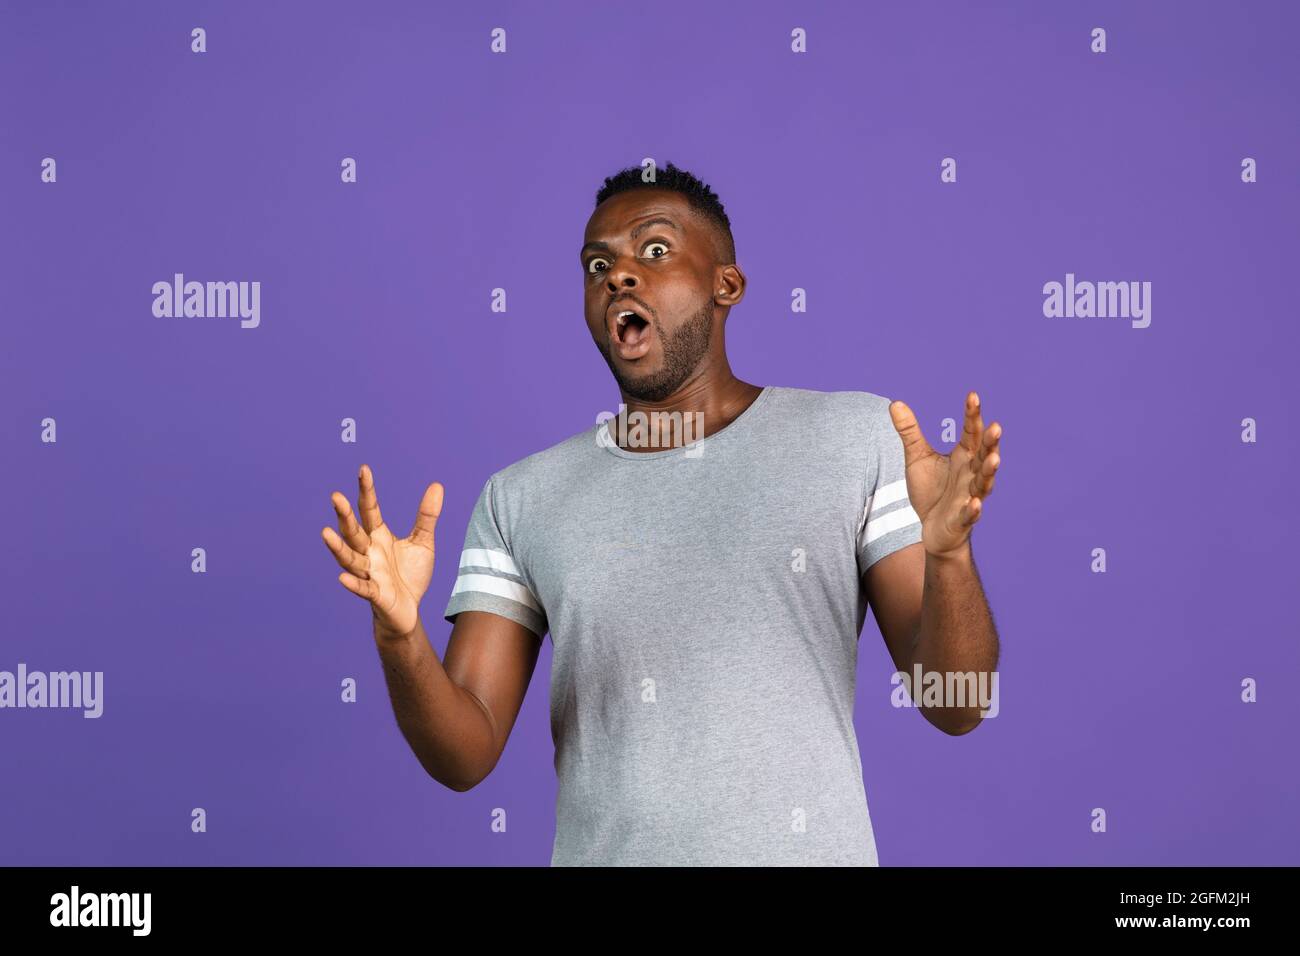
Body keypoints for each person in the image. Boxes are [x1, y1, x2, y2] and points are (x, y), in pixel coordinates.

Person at [320, 162, 1003, 866]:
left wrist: (949, 557)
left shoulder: (857, 438)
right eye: (597, 265)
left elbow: (957, 705)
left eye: (653, 251)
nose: (617, 276)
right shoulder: (520, 498)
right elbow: (464, 753)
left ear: (725, 286)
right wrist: (401, 640)